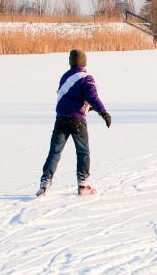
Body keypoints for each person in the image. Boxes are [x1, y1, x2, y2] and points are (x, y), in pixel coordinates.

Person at [37, 49, 111, 197]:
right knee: (83, 152)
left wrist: (88, 109)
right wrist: (103, 112)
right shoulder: (86, 78)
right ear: (85, 62)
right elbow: (92, 97)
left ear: (70, 62)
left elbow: (68, 98)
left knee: (54, 152)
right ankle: (83, 185)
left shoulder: (65, 77)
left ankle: (45, 184)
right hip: (77, 121)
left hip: (61, 119)